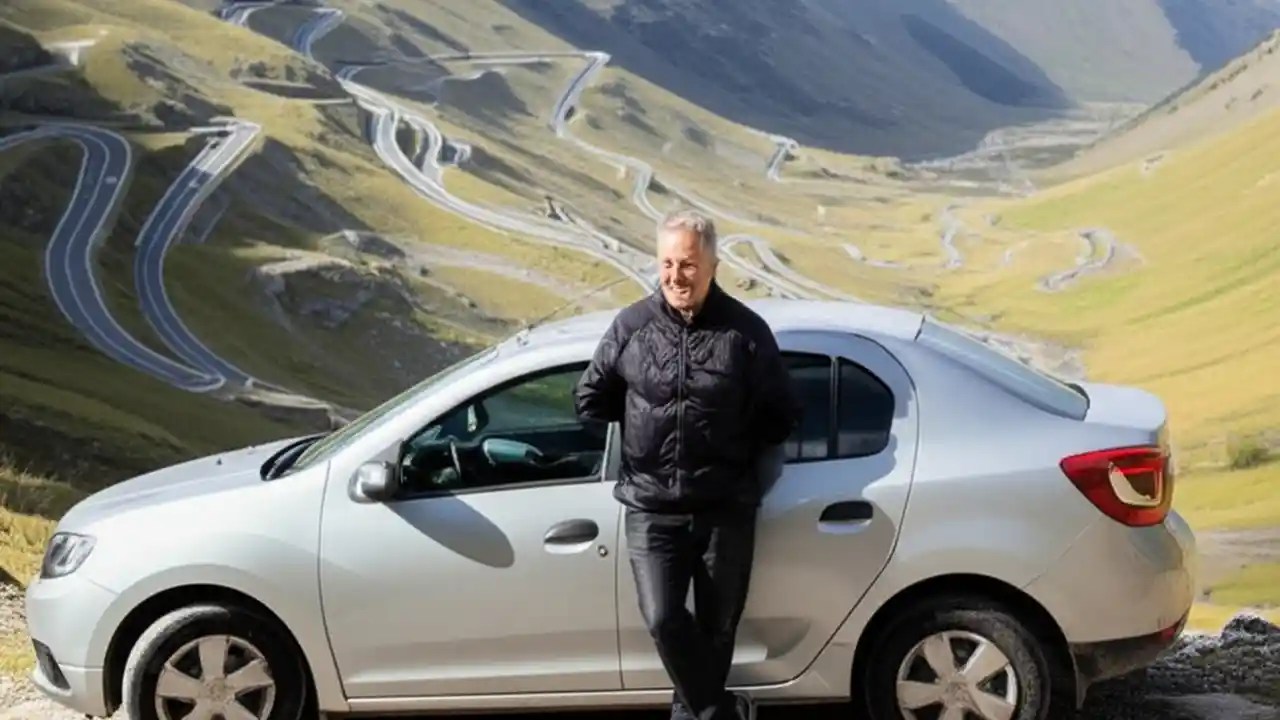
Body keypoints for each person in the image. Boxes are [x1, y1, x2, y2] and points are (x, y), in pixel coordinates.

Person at [574, 209, 800, 720]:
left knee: (718, 629)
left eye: (689, 265)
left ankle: (694, 712)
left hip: (726, 508)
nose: (676, 276)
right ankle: (719, 711)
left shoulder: (746, 333)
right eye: (668, 263)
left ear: (714, 265)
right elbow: (590, 398)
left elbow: (782, 413)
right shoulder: (631, 326)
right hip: (651, 509)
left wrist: (733, 450)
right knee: (663, 619)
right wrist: (643, 426)